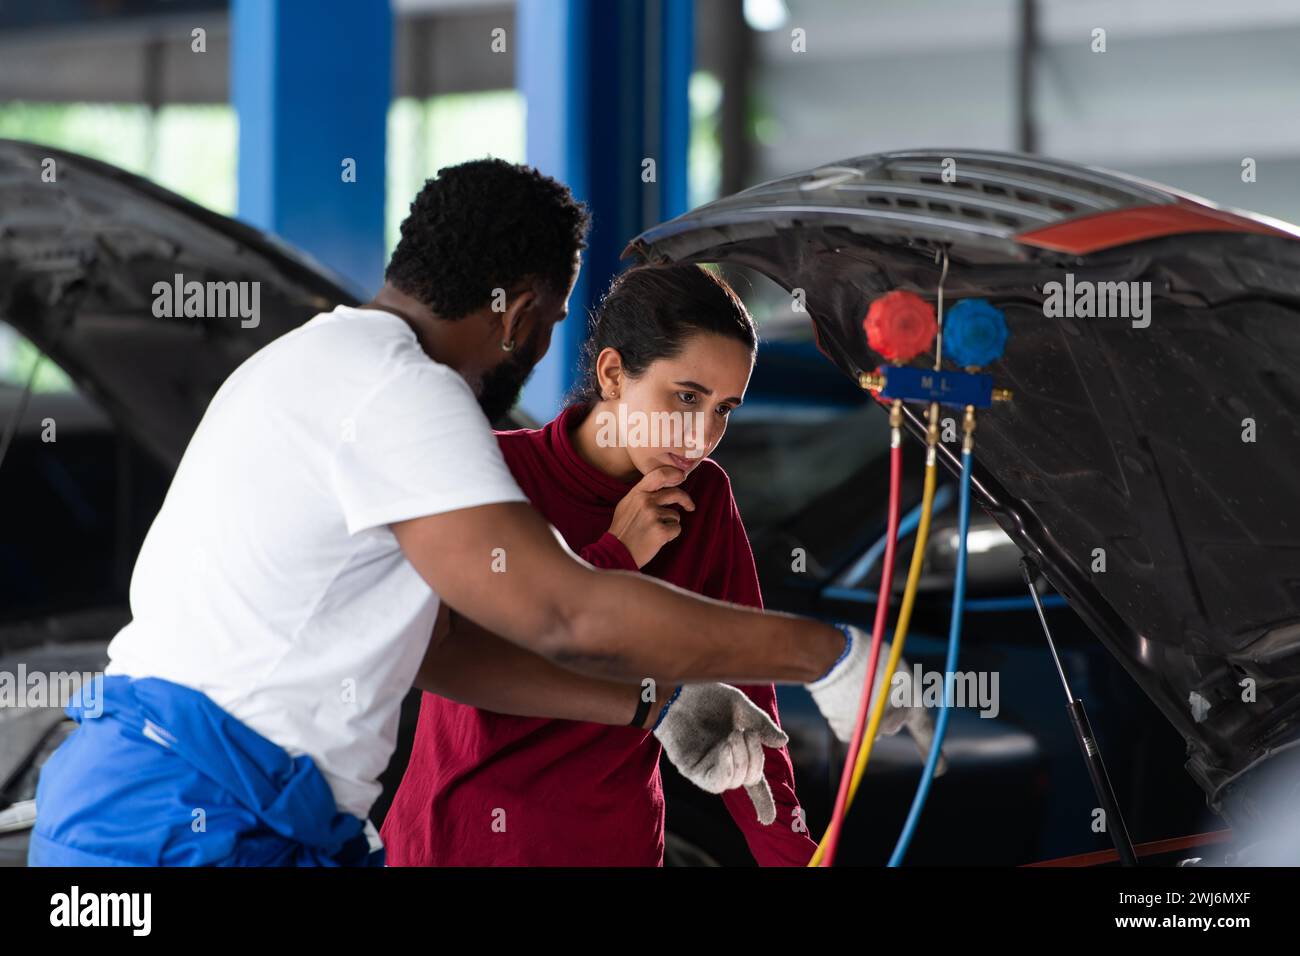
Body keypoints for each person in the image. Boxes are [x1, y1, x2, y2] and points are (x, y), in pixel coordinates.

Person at [28, 159, 916, 867]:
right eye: (552, 321)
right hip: (188, 821)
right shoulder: (407, 394)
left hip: (182, 803)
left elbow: (445, 649)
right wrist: (830, 655)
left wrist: (654, 705)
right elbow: (564, 615)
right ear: (522, 312)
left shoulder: (317, 360)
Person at [382, 264, 817, 865]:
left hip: (619, 846)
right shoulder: (492, 472)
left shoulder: (706, 498)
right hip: (466, 841)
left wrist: (792, 855)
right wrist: (614, 557)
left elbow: (747, 701)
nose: (699, 437)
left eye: (724, 409)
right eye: (686, 397)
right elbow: (471, 654)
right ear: (614, 374)